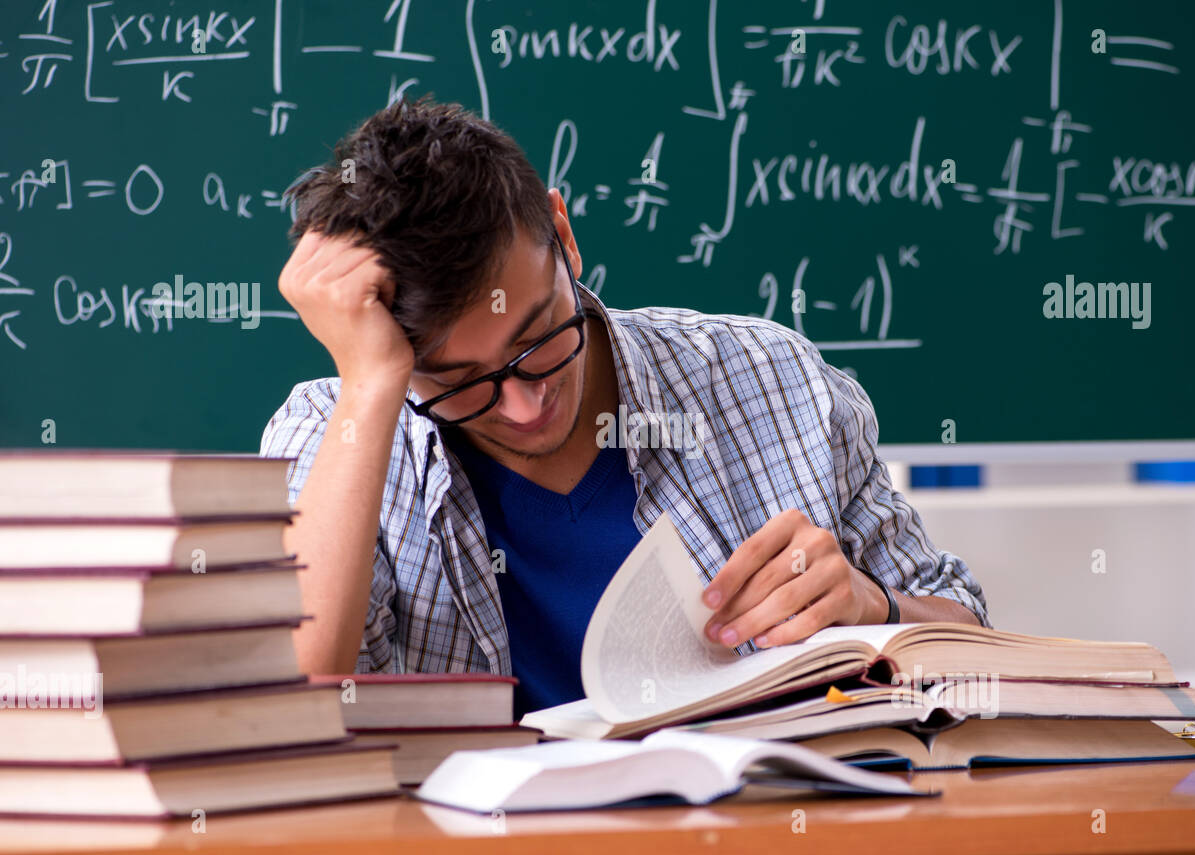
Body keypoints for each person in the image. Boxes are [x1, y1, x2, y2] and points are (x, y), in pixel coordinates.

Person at [261, 96, 989, 719]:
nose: (523, 404)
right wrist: (370, 386)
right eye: (459, 382)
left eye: (539, 336)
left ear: (564, 235)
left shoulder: (777, 380)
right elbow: (289, 713)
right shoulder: (329, 436)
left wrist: (874, 609)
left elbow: (975, 644)